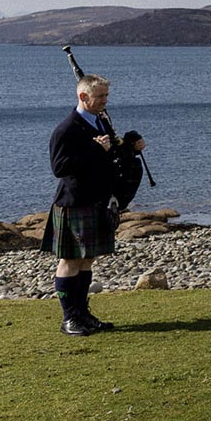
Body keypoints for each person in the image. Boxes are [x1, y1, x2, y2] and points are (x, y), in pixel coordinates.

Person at [38, 70, 141, 336]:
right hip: (74, 203)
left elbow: (109, 156)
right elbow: (59, 167)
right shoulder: (66, 129)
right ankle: (69, 318)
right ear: (83, 96)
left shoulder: (99, 122)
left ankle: (83, 314)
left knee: (87, 260)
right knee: (70, 261)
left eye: (107, 95)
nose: (105, 100)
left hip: (97, 201)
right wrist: (97, 150)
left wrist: (130, 147)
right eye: (100, 96)